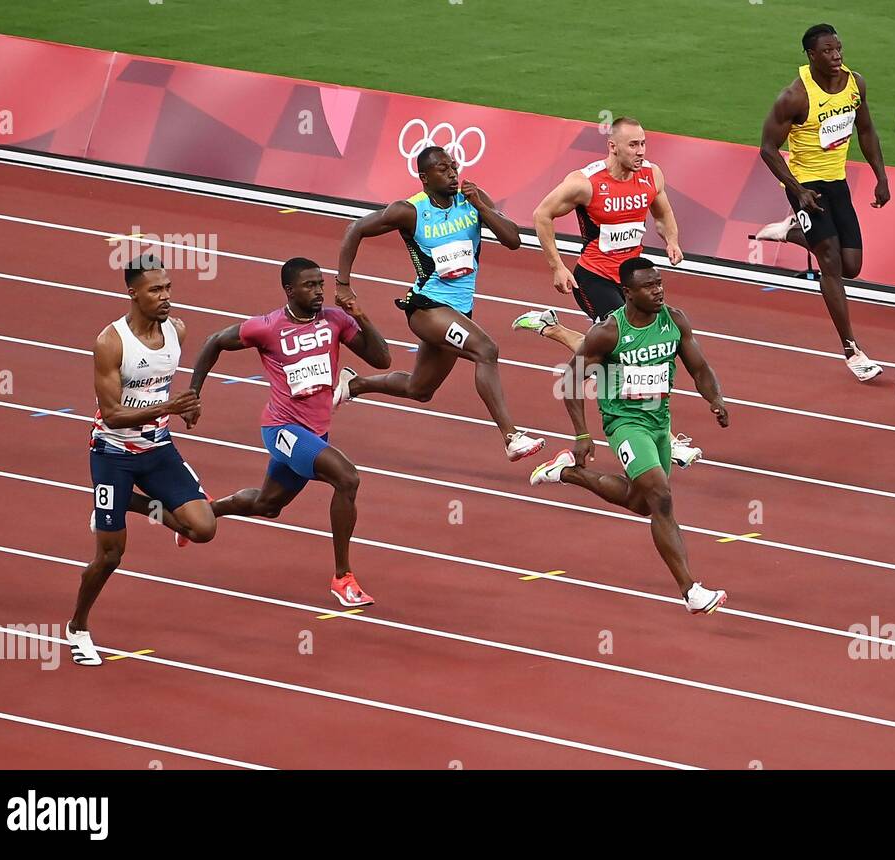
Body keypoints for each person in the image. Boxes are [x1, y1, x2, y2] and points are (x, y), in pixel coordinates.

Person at [529, 258, 729, 614]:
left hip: (659, 423)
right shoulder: (608, 332)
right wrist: (582, 435)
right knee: (662, 499)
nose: (659, 291)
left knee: (642, 503)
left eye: (660, 283)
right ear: (628, 294)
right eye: (650, 287)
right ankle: (691, 591)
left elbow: (700, 367)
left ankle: (566, 473)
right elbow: (572, 380)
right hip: (624, 424)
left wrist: (714, 398)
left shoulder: (674, 320)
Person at [190, 257, 392, 606]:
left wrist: (360, 314)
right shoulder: (267, 327)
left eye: (320, 285)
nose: (318, 292)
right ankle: (342, 578)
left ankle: (203, 511)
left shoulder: (335, 320)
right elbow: (214, 341)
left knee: (268, 505)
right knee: (348, 478)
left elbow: (382, 359)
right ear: (289, 290)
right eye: (309, 285)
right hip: (282, 428)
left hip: (314, 434)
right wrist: (194, 393)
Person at [510, 116, 704, 467]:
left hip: (632, 280)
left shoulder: (651, 175)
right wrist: (557, 266)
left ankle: (550, 327)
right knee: (626, 355)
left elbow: (663, 212)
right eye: (633, 145)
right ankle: (668, 437)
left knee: (618, 352)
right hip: (594, 278)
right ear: (612, 146)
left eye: (644, 143)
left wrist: (672, 240)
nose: (641, 151)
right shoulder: (585, 183)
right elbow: (542, 214)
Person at [330, 146, 544, 462]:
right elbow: (355, 229)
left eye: (453, 166)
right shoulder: (410, 211)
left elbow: (513, 241)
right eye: (442, 169)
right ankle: (511, 437)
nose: (452, 173)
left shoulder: (472, 199)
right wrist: (343, 284)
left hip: (459, 311)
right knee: (486, 350)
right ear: (424, 177)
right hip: (427, 307)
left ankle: (356, 383)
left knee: (420, 389)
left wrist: (481, 207)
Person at [67, 254, 216, 666]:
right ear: (132, 293)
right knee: (111, 556)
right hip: (113, 453)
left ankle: (124, 503)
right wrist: (169, 404)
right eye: (155, 290)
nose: (165, 297)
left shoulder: (177, 331)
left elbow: (160, 390)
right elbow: (113, 414)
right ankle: (78, 627)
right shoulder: (111, 342)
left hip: (158, 449)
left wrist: (184, 408)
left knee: (203, 528)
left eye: (167, 288)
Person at [758, 22, 891, 382]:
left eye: (839, 49)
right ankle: (852, 350)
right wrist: (797, 190)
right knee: (830, 262)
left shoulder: (854, 83)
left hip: (838, 182)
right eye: (828, 51)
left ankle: (791, 232)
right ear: (811, 55)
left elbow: (866, 129)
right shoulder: (794, 97)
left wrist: (881, 175)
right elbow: (768, 149)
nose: (836, 56)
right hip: (806, 186)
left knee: (851, 266)